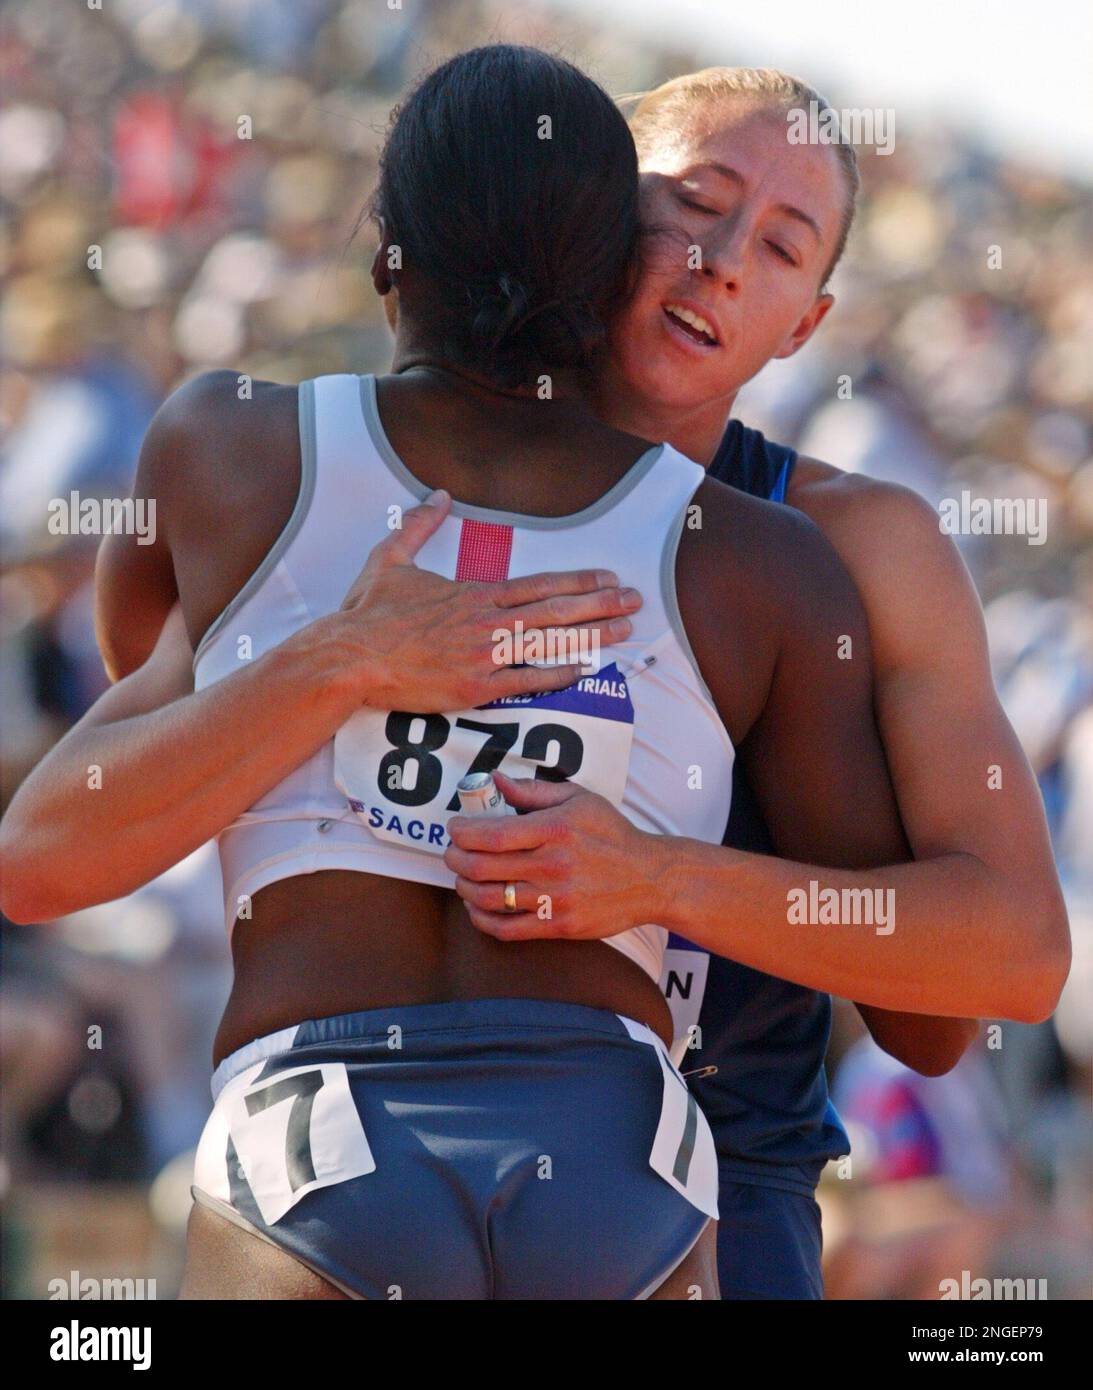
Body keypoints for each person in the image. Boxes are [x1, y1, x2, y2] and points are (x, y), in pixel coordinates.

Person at [2, 46, 915, 1300]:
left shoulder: (231, 447)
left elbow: (47, 852)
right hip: (615, 1159)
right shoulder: (762, 563)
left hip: (313, 1143)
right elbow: (923, 1003)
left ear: (384, 246)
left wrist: (334, 668)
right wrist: (662, 870)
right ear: (608, 270)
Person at [441, 68, 1069, 1298]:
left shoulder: (861, 543)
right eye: (694, 202)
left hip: (715, 1195)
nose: (723, 260)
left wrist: (659, 880)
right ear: (596, 207)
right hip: (397, 1166)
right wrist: (323, 665)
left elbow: (1005, 962)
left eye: (779, 247)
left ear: (803, 324)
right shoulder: (398, 466)